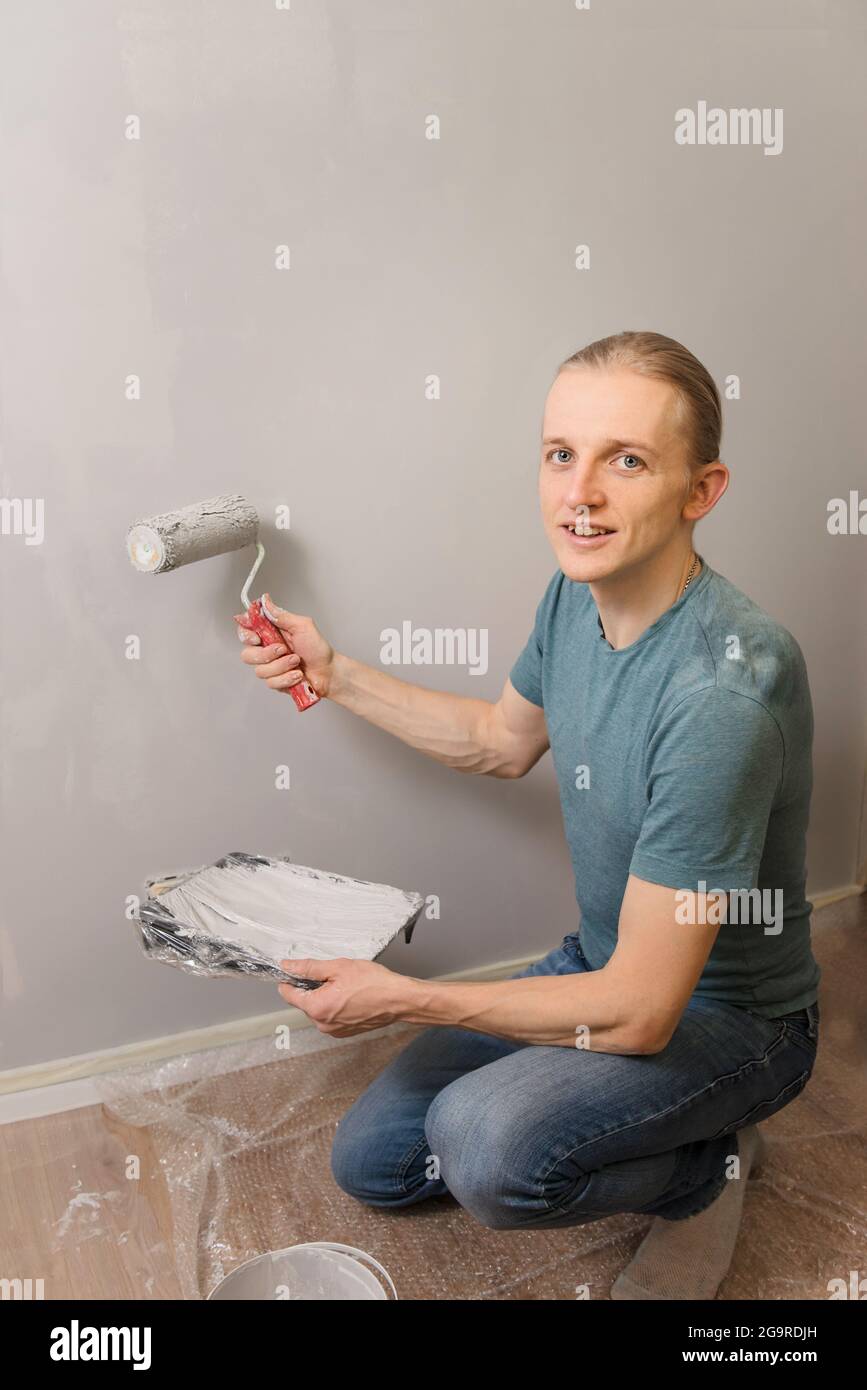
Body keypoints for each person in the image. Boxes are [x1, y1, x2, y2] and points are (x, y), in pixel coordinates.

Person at [238, 330, 820, 1300]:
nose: (579, 492)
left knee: (486, 1146)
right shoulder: (575, 595)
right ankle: (681, 1129)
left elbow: (639, 1011)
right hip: (605, 964)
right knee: (377, 1162)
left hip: (733, 1018)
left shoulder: (725, 689)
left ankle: (705, 1171)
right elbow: (499, 740)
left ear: (701, 490)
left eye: (624, 460)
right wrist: (333, 675)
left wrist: (404, 996)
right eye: (561, 454)